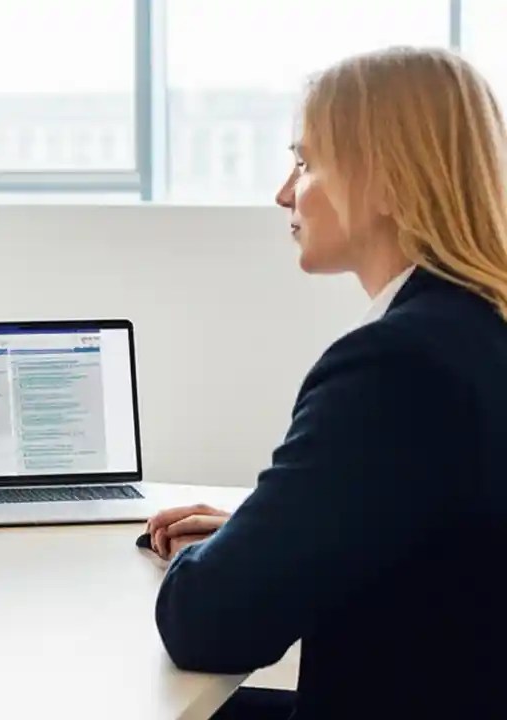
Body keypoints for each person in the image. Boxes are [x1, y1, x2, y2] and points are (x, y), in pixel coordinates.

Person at [147, 47, 505, 718]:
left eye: (306, 163)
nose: (285, 192)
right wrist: (274, 538)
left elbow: (209, 624)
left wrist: (211, 563)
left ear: (391, 182)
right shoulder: (480, 328)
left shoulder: (397, 364)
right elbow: (448, 545)